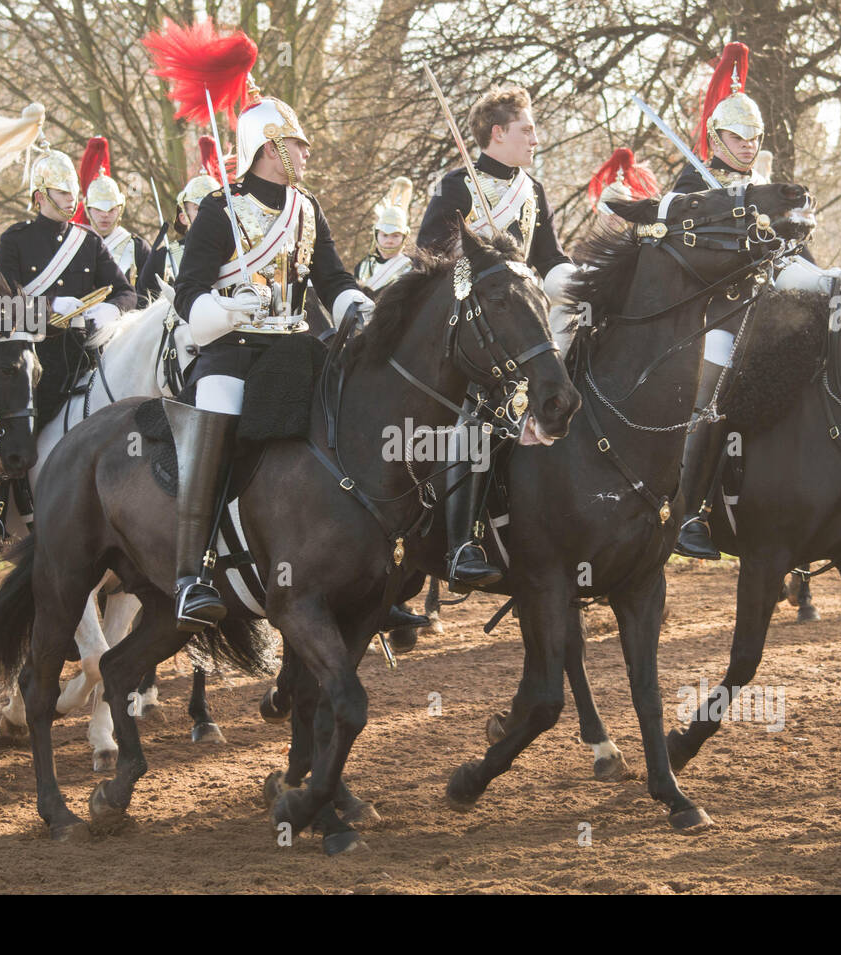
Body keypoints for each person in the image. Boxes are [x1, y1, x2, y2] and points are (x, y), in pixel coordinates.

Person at [155, 30, 377, 630]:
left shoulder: (309, 210)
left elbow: (332, 277)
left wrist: (358, 303)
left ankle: (374, 561)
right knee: (218, 417)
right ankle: (191, 572)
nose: (306, 155)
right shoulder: (220, 210)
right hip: (231, 351)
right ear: (272, 147)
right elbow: (188, 292)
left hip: (297, 348)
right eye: (298, 146)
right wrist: (228, 309)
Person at [0, 102, 137, 556]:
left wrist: (111, 313)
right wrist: (47, 308)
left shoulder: (88, 241)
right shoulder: (17, 239)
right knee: (13, 423)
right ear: (40, 196)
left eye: (73, 194)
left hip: (83, 357)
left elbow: (126, 293)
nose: (72, 200)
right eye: (63, 194)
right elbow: (2, 303)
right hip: (32, 359)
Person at [671, 42, 839, 560]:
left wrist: (822, 277)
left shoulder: (763, 188)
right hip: (714, 315)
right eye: (737, 137)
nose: (747, 145)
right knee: (716, 394)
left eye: (753, 138)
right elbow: (689, 256)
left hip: (768, 316)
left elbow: (800, 255)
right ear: (716, 137)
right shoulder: (691, 184)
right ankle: (689, 513)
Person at [416, 83, 578, 591]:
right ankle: (461, 544)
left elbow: (547, 259)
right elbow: (428, 258)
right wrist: (474, 271)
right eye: (527, 129)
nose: (536, 138)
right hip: (474, 327)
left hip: (525, 322)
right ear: (497, 133)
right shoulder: (457, 186)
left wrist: (578, 281)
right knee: (476, 412)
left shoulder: (533, 190)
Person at [138, 137, 223, 301]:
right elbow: (143, 302)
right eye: (198, 208)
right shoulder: (164, 257)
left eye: (213, 207)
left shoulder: (236, 250)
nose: (207, 213)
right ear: (183, 217)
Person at [74, 137, 151, 305]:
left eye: (111, 210)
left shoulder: (137, 247)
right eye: (99, 210)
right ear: (88, 209)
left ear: (120, 209)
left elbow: (150, 293)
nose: (105, 216)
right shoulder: (74, 245)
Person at [354, 176, 414, 294]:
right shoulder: (363, 266)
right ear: (376, 235)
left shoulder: (410, 267)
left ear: (404, 237)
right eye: (385, 235)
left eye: (395, 236)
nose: (389, 240)